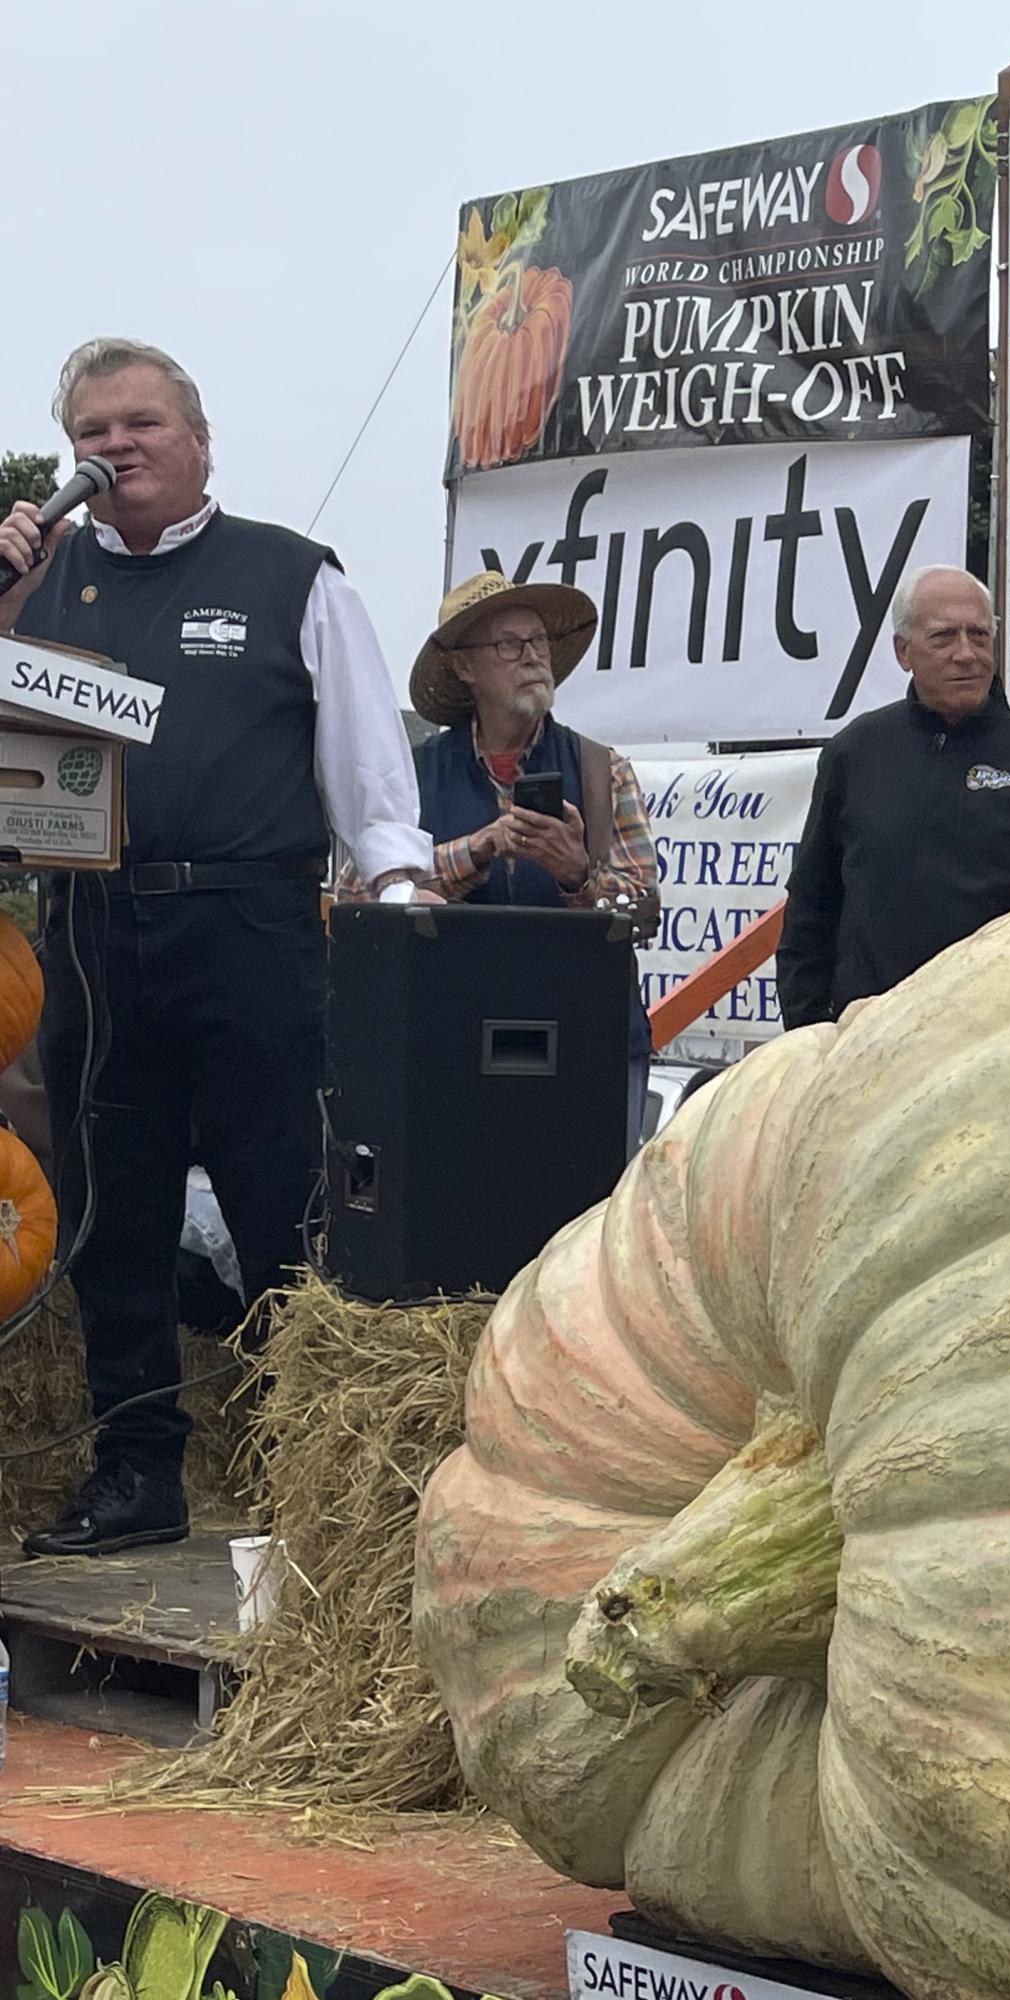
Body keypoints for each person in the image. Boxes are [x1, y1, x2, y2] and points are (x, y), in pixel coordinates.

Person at [0, 337, 435, 1557]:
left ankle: (325, 1478)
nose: (114, 446)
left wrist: (396, 895)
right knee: (112, 1215)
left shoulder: (291, 574)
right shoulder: (46, 583)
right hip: (88, 930)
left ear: (197, 442)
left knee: (280, 1201)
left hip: (247, 926)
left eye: (139, 422)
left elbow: (366, 763)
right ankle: (137, 1470)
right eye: (91, 429)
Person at [344, 572, 664, 1148]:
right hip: (447, 1047)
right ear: (465, 668)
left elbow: (642, 913)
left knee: (589, 1223)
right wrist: (481, 847)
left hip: (586, 1045)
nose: (532, 657)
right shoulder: (413, 778)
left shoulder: (600, 769)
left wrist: (577, 876)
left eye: (538, 642)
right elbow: (355, 900)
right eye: (509, 645)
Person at [780, 567, 1010, 1029]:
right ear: (904, 651)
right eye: (944, 637)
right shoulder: (855, 754)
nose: (967, 654)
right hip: (865, 1040)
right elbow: (812, 902)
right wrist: (808, 1027)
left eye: (979, 635)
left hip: (995, 1040)